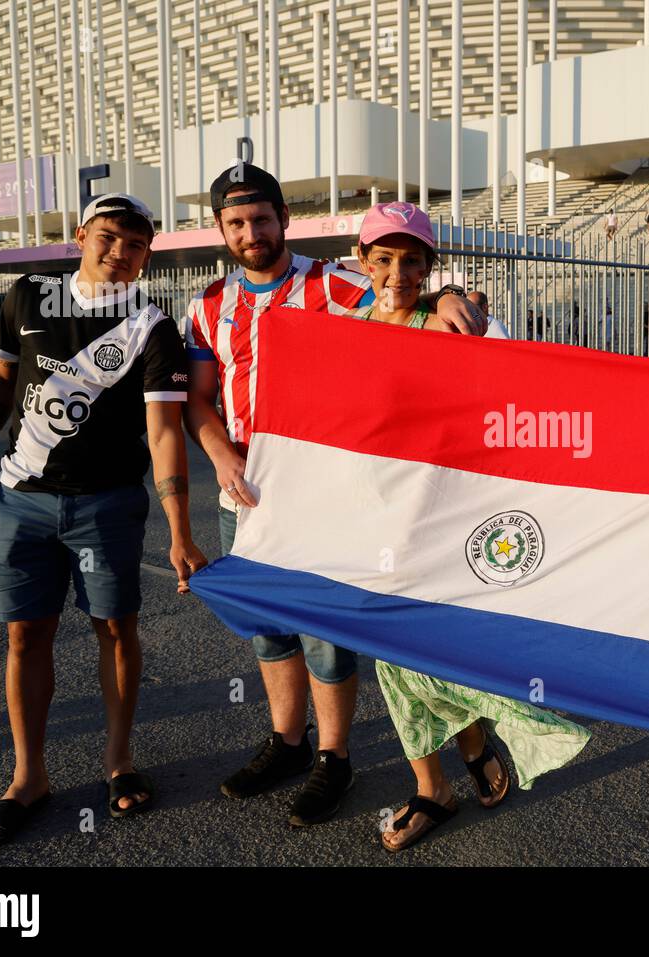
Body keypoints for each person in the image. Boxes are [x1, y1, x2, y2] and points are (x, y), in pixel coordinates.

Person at [182, 165, 485, 827]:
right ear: (221, 229)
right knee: (268, 629)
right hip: (246, 489)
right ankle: (287, 742)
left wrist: (455, 292)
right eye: (236, 222)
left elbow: (401, 288)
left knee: (325, 633)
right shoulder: (208, 304)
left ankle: (333, 755)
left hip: (321, 489)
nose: (251, 232)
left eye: (262, 218)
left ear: (284, 217)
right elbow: (199, 401)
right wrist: (219, 451)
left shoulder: (336, 284)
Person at [0, 193, 208, 850]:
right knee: (23, 637)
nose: (121, 253)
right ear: (82, 234)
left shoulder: (151, 326)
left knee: (117, 631)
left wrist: (180, 528)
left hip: (106, 506)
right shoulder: (29, 296)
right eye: (111, 237)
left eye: (137, 245)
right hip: (20, 500)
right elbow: (1, 380)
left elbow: (164, 430)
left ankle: (119, 759)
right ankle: (28, 777)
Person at [348, 202, 590, 852]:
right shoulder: (345, 325)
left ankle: (441, 783)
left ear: (431, 266)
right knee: (397, 661)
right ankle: (464, 757)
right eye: (385, 258)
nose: (398, 272)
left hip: (444, 523)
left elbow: (523, 398)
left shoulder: (457, 327)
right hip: (371, 522)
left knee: (419, 657)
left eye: (413, 260)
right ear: (363, 261)